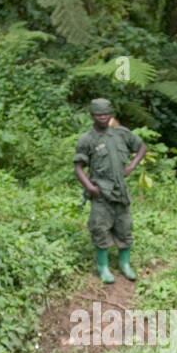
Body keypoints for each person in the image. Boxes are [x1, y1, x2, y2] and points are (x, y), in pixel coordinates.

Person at [73, 98, 147, 283]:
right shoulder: (87, 139)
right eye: (99, 114)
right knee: (100, 228)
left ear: (110, 114)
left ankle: (125, 264)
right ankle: (103, 267)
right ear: (92, 116)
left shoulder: (121, 133)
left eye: (106, 114)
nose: (103, 117)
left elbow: (141, 147)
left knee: (125, 227)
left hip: (120, 191)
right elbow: (78, 168)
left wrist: (131, 166)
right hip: (101, 193)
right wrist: (90, 188)